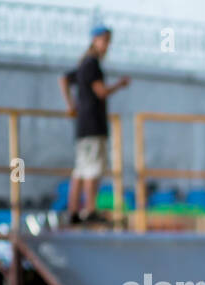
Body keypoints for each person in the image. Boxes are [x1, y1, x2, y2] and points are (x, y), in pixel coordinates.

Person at [59, 26, 129, 227]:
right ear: (95, 40)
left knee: (81, 169)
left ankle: (73, 212)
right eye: (105, 40)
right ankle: (89, 209)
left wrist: (71, 105)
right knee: (92, 169)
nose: (107, 45)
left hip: (84, 125)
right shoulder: (92, 64)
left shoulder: (84, 64)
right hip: (93, 124)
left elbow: (64, 79)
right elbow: (101, 92)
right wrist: (120, 85)